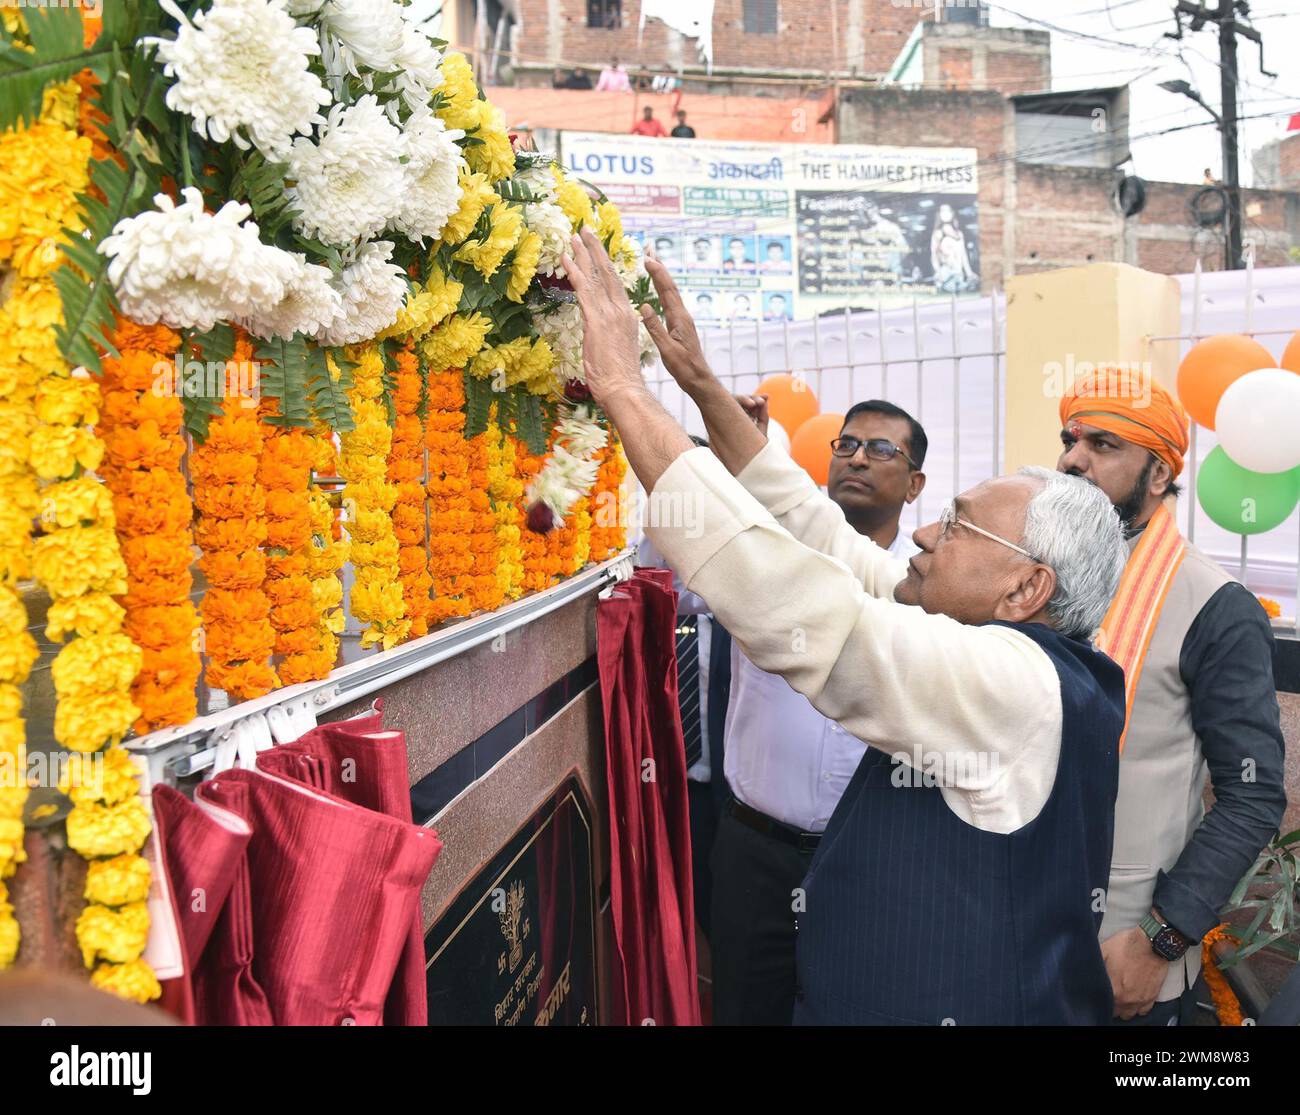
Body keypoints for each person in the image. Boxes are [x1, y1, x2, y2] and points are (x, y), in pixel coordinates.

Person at [562, 225, 1129, 1025]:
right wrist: (697, 383)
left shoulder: (1016, 681)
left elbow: (794, 599)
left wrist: (623, 385)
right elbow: (815, 532)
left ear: (1025, 588)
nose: (927, 534)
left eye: (959, 525)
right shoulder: (977, 633)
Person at [1056, 369, 1287, 1025]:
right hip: (1016, 930)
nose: (1074, 459)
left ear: (1159, 475)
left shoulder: (1215, 604)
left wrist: (1164, 936)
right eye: (1071, 440)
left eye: (1102, 445)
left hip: (1123, 952)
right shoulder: (1035, 572)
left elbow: (1253, 792)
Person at [706, 398, 926, 1025]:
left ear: (915, 485)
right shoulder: (764, 551)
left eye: (881, 449)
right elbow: (668, 572)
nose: (857, 457)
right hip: (756, 854)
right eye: (846, 445)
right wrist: (732, 479)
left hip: (875, 858)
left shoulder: (928, 582)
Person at [930, 203, 976, 293]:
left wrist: (969, 272)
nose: (945, 214)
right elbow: (934, 255)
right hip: (945, 274)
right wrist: (937, 272)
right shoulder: (937, 233)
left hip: (959, 274)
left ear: (952, 213)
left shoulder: (959, 234)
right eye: (942, 211)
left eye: (948, 211)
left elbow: (963, 255)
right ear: (939, 214)